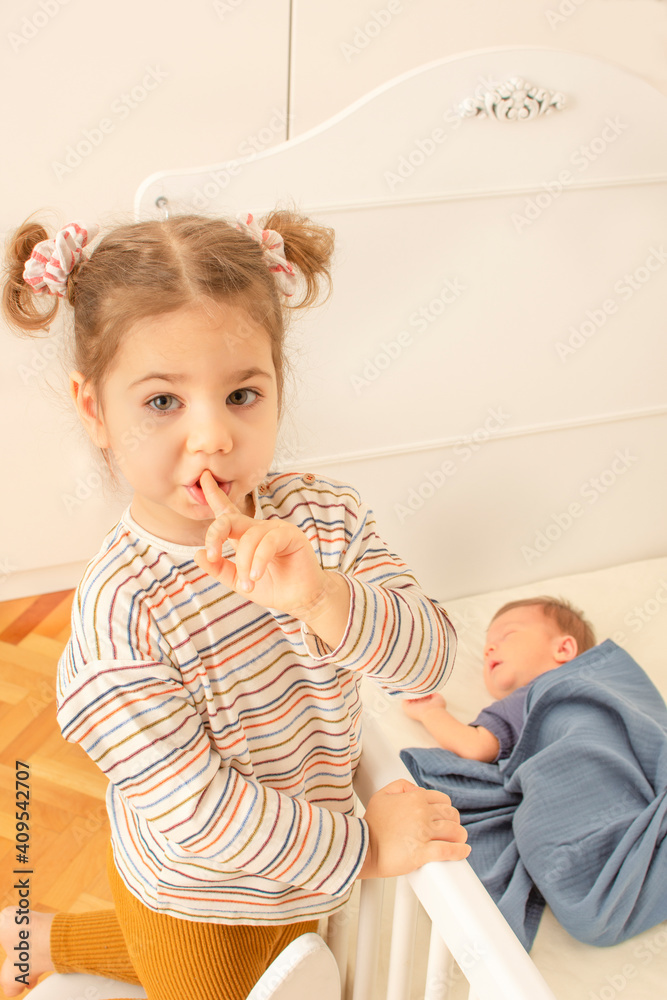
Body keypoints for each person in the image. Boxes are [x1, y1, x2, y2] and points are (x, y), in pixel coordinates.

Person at [0, 211, 469, 1000]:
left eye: (242, 393)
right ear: (94, 411)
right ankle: (48, 942)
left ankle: (39, 937)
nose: (214, 436)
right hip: (191, 896)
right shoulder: (121, 615)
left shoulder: (323, 521)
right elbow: (199, 813)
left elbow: (428, 661)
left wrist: (322, 596)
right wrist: (360, 848)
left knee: (277, 967)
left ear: (278, 385)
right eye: (162, 403)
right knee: (207, 976)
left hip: (300, 862)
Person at [403, 597, 596, 762]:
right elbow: (476, 745)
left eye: (507, 635)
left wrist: (428, 711)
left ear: (563, 649)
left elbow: (475, 747)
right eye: (486, 648)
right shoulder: (520, 703)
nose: (488, 650)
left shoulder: (549, 689)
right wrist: (430, 711)